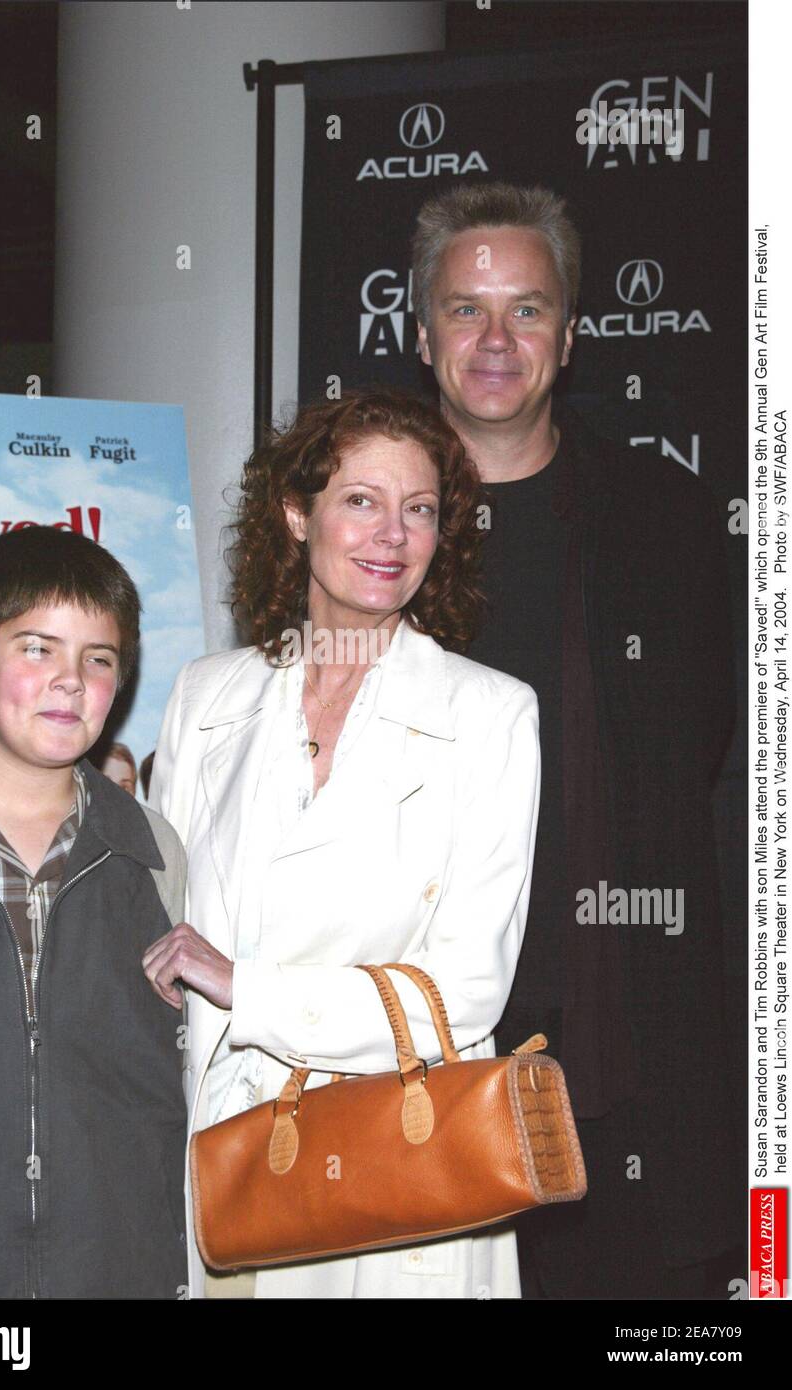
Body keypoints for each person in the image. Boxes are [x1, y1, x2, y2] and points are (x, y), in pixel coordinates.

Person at [411, 180, 743, 1299]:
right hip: (418, 1058)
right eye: (465, 310)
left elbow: (702, 747)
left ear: (570, 331)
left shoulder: (663, 514)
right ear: (420, 334)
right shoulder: (364, 526)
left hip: (625, 1051)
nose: (496, 339)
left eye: (527, 310)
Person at [144, 388, 541, 1299]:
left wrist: (250, 988)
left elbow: (464, 995)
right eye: (361, 500)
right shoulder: (206, 697)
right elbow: (164, 941)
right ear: (297, 513)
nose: (391, 535)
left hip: (397, 1170)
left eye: (420, 510)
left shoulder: (489, 713)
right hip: (230, 1162)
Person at [0, 525, 189, 1298]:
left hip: (116, 1271)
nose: (69, 681)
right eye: (37, 648)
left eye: (99, 658)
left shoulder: (155, 854)